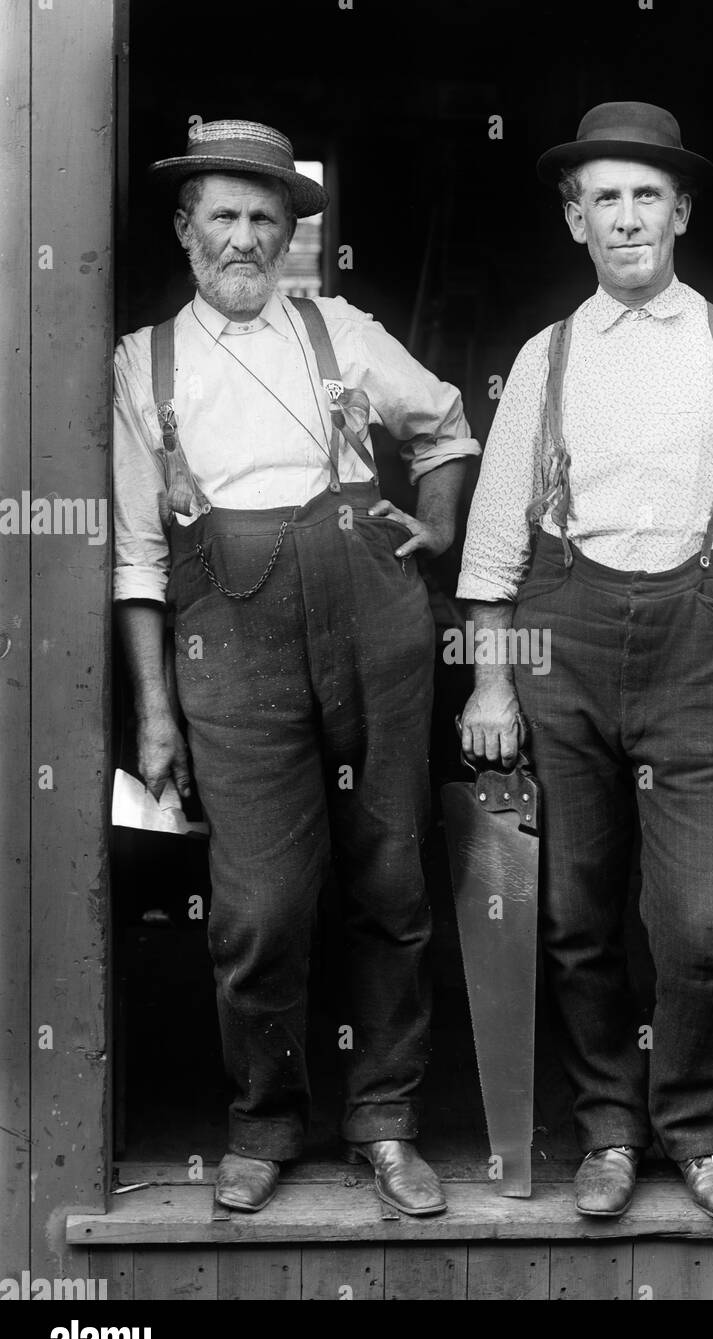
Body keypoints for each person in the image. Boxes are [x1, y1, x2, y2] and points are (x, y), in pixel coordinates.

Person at [457, 102, 713, 1220]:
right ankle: (606, 1129)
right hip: (565, 646)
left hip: (694, 658)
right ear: (573, 220)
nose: (627, 217)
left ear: (680, 209)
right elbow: (494, 544)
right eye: (604, 197)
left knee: (697, 923)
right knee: (577, 914)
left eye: (647, 194)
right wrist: (492, 680)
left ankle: (692, 1131)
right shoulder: (541, 357)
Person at [114, 119, 481, 1216]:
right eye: (221, 216)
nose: (243, 238)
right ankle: (264, 1119)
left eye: (264, 218)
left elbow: (451, 427)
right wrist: (154, 714)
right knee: (259, 905)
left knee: (390, 883)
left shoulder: (342, 331)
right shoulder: (143, 363)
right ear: (185, 231)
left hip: (371, 625)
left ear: (289, 234)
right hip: (226, 643)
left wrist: (436, 524)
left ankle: (386, 1120)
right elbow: (136, 556)